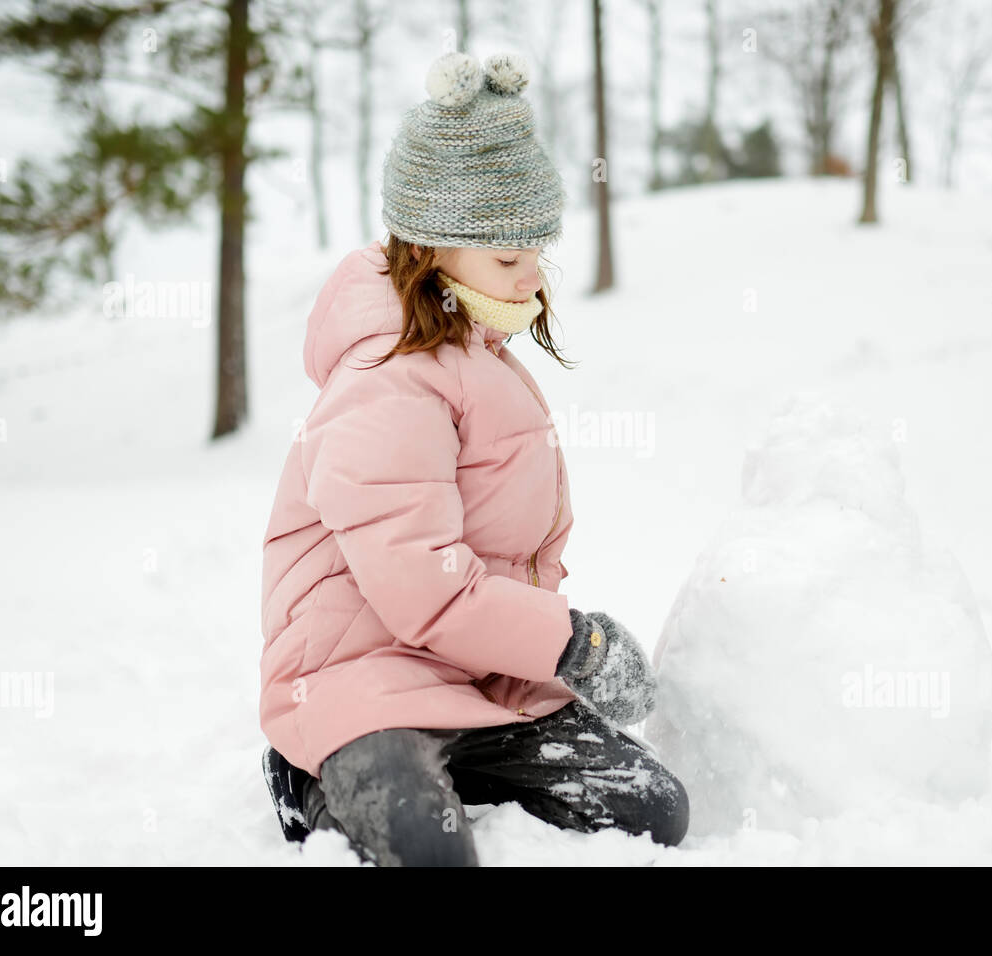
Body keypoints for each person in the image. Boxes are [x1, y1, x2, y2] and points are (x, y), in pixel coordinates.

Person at [258, 50, 689, 866]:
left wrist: (539, 661)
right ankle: (305, 770)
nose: (530, 275)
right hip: (363, 680)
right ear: (431, 250)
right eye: (506, 256)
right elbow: (421, 583)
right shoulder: (383, 381)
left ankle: (467, 761)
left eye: (537, 250)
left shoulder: (479, 354)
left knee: (651, 812)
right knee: (429, 849)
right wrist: (574, 644)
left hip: (481, 678)